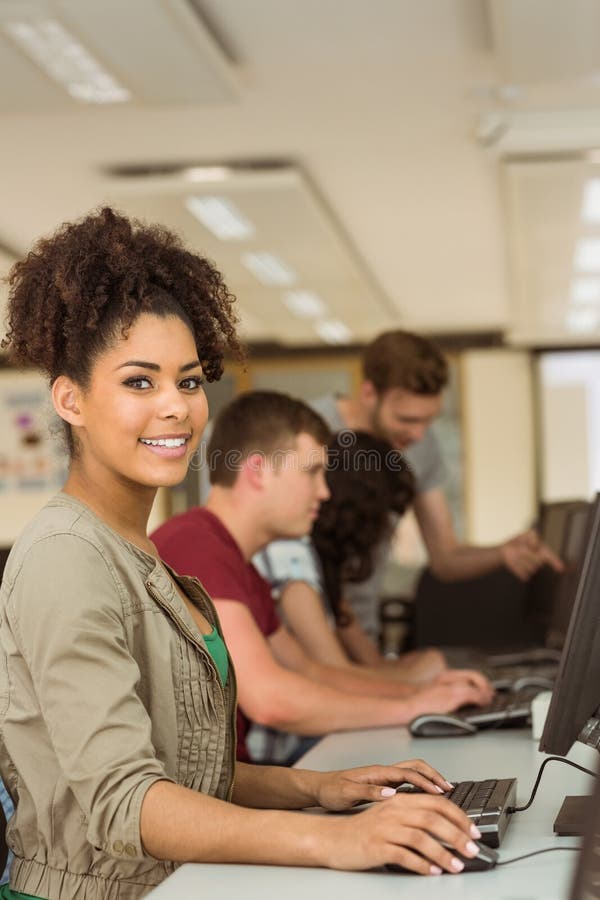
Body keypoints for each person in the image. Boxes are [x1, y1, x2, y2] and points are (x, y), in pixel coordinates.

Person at [0, 207, 487, 898]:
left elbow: (183, 773)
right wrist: (335, 840)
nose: (176, 407)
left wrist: (319, 789)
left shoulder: (138, 553)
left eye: (189, 381)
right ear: (70, 400)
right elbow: (125, 801)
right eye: (139, 382)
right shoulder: (66, 558)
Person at [152, 391, 493, 764]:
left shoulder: (237, 562)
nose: (325, 492)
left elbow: (309, 670)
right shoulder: (196, 546)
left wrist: (418, 694)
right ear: (257, 472)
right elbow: (271, 700)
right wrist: (414, 707)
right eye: (312, 472)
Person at [305, 329, 564, 635]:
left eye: (429, 420)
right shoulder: (307, 430)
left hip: (361, 630)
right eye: (406, 419)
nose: (418, 434)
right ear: (369, 393)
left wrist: (502, 553)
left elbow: (445, 558)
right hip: (305, 631)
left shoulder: (422, 447)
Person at [254, 430, 442, 682]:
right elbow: (333, 673)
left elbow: (372, 663)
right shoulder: (290, 555)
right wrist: (415, 679)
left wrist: (408, 669)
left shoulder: (324, 566)